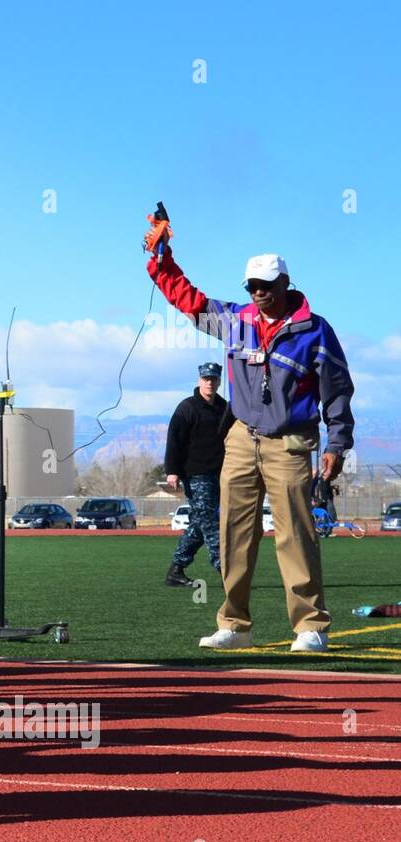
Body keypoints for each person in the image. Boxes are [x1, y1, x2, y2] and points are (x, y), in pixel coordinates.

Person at [146, 230, 354, 652]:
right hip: (241, 438)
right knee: (233, 533)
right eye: (252, 287)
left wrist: (336, 445)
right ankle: (235, 625)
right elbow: (188, 298)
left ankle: (311, 626)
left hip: (290, 441)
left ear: (286, 284)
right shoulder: (234, 320)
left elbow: (337, 389)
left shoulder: (315, 330)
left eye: (266, 286)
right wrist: (161, 258)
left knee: (295, 533)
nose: (258, 293)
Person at [164, 362, 227, 587]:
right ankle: (225, 569)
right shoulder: (187, 407)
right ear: (199, 380)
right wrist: (172, 470)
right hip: (196, 474)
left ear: (219, 381)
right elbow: (174, 440)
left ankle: (176, 570)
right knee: (210, 522)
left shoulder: (224, 408)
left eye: (213, 379)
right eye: (206, 378)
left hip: (220, 474)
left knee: (200, 522)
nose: (209, 382)